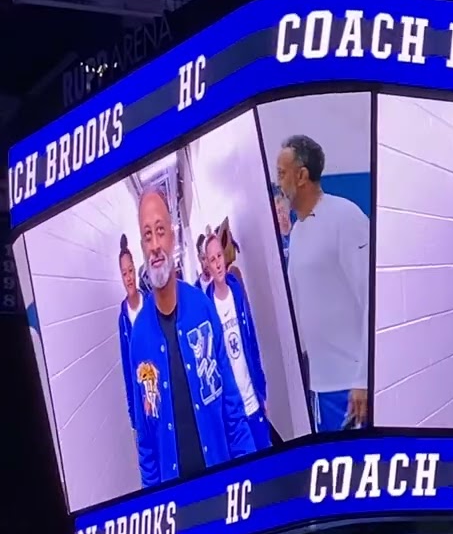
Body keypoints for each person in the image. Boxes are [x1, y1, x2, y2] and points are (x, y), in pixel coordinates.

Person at [128, 190, 255, 487]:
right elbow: (146, 444)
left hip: (222, 482)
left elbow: (231, 404)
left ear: (172, 237)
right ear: (142, 247)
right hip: (177, 502)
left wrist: (250, 475)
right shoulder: (139, 339)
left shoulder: (202, 308)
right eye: (147, 236)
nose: (156, 244)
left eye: (160, 231)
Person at [277, 134, 370, 432]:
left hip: (352, 389)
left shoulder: (346, 217)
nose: (278, 183)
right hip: (320, 386)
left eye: (282, 174)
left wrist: (363, 379)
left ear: (302, 176)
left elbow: (373, 299)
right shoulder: (299, 232)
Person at [204, 233, 273, 451]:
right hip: (234, 412)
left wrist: (262, 390)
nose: (218, 264)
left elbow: (252, 343)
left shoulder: (238, 293)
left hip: (253, 399)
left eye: (219, 256)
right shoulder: (207, 307)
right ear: (207, 265)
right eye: (212, 259)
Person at [117, 234, 145, 435]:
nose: (128, 277)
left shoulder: (151, 305)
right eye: (124, 273)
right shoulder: (123, 320)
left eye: (130, 271)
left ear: (135, 270)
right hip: (142, 403)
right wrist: (133, 415)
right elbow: (127, 368)